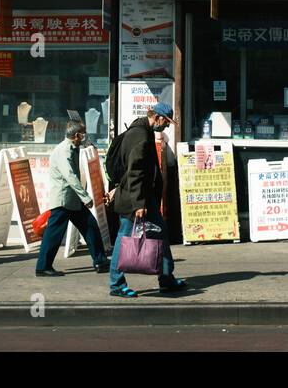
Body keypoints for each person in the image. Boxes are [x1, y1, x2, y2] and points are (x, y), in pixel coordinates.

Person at [107, 102, 185, 298]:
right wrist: (139, 204)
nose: (166, 126)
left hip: (143, 198)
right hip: (137, 200)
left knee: (161, 234)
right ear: (157, 117)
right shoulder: (141, 136)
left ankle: (166, 278)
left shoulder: (140, 129)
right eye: (166, 122)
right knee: (124, 238)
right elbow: (135, 173)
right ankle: (116, 284)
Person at [35, 121, 109, 277]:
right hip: (64, 199)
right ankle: (42, 267)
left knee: (90, 226)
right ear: (76, 136)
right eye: (83, 133)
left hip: (72, 199)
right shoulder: (64, 151)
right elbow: (70, 177)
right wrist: (85, 197)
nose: (84, 136)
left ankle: (101, 261)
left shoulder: (73, 148)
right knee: (53, 234)